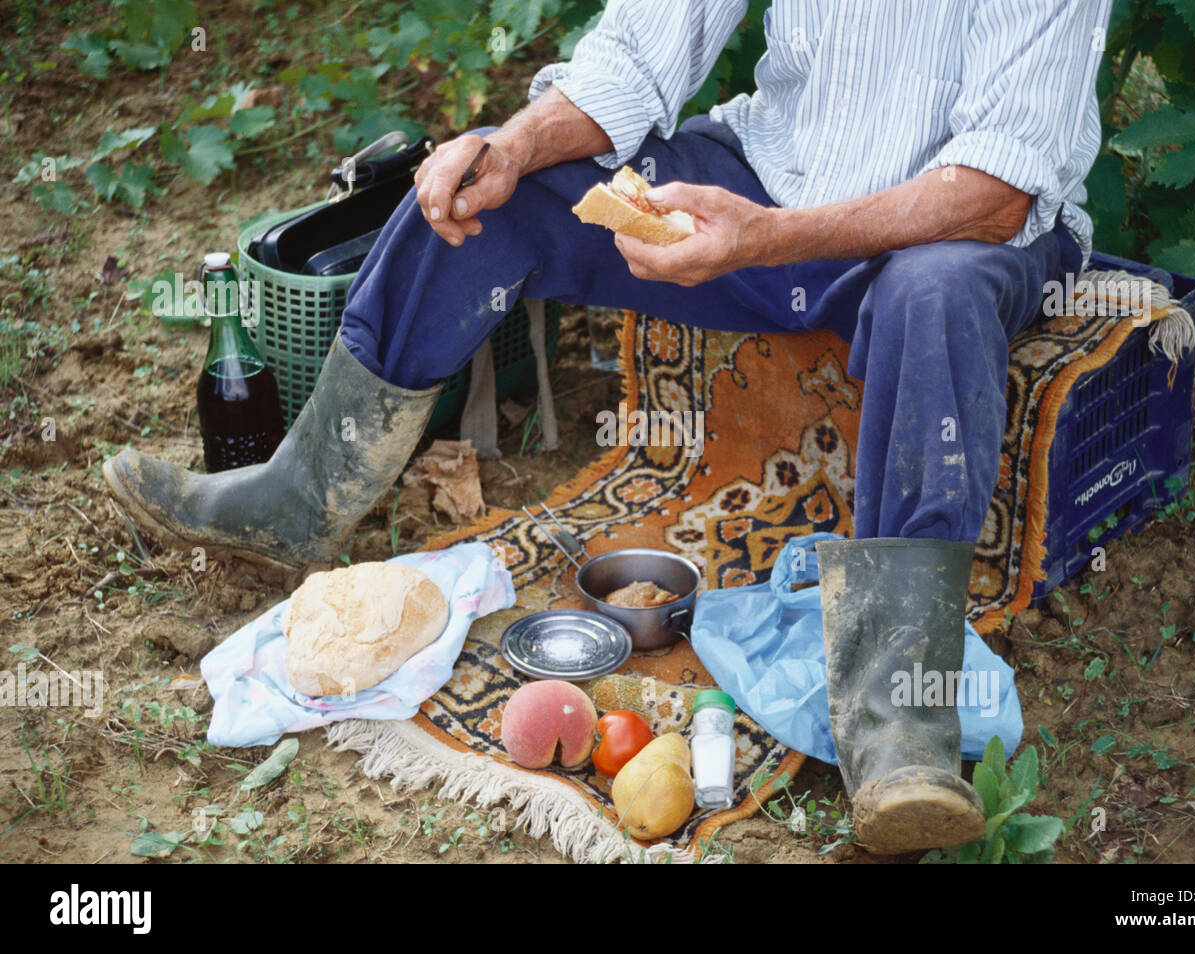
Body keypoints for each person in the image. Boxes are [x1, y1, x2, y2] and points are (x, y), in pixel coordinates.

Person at [105, 0, 1111, 854]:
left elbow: (995, 187)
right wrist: (509, 145)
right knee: (488, 190)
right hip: (774, 173)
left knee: (932, 294)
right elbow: (633, 56)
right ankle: (302, 495)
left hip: (959, 233)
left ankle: (901, 725)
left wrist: (764, 238)